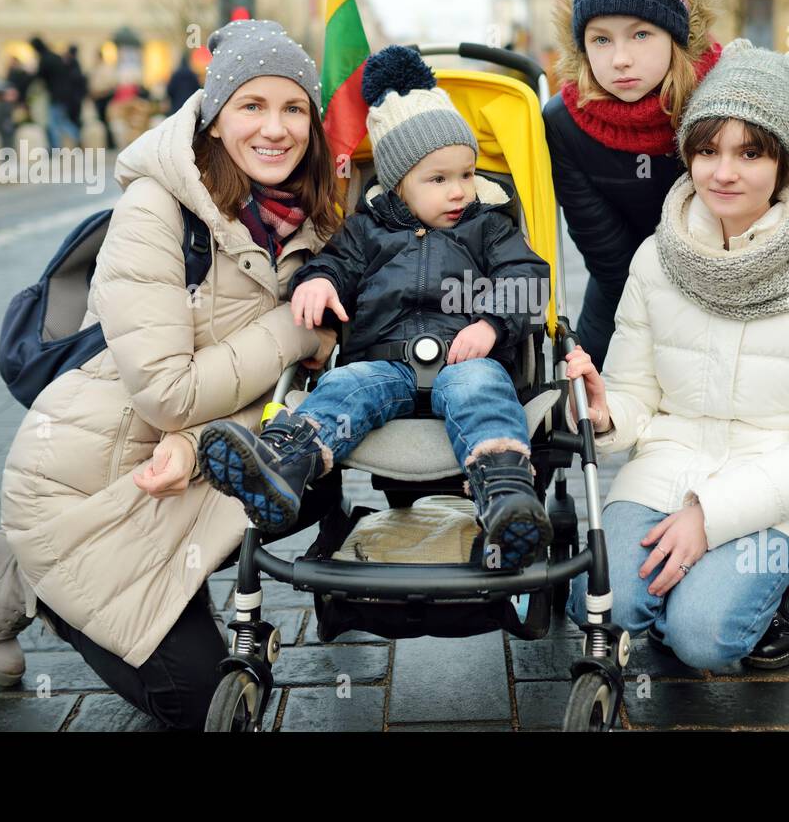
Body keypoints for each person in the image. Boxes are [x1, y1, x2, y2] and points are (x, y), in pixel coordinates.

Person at [0, 20, 344, 730]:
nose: (275, 129)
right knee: (196, 708)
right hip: (85, 491)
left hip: (180, 480)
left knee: (313, 482)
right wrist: (295, 330)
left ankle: (162, 578)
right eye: (251, 106)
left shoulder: (310, 228)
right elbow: (168, 393)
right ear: (215, 118)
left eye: (293, 109)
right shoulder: (156, 209)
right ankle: (26, 573)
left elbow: (287, 395)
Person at [563, 39, 789, 672]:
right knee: (602, 607)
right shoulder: (657, 257)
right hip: (665, 471)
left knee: (704, 637)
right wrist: (604, 412)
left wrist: (711, 517)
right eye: (707, 151)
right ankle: (702, 581)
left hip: (776, 485)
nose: (723, 173)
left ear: (784, 163)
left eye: (750, 153)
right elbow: (636, 398)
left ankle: (780, 580)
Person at [197, 46, 553, 570]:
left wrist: (491, 322)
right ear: (398, 184)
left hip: (466, 361)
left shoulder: (488, 227)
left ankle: (505, 493)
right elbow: (335, 265)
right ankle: (283, 465)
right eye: (438, 180)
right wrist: (316, 282)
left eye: (466, 175)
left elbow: (528, 278)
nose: (458, 191)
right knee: (343, 388)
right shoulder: (367, 231)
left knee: (484, 392)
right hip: (383, 365)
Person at [544, 0, 720, 368]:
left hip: (720, 294)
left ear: (676, 36)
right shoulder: (564, 122)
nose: (619, 58)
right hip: (617, 302)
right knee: (593, 418)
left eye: (641, 34)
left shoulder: (720, 104)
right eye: (601, 39)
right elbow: (603, 249)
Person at [29, 35, 79, 148]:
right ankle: (77, 139)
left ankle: (58, 148)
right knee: (62, 121)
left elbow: (39, 76)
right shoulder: (55, 57)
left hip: (56, 95)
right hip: (65, 94)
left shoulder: (44, 59)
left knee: (55, 123)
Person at [61, 43, 88, 129]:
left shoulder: (71, 64)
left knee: (72, 120)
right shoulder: (77, 64)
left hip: (72, 98)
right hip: (76, 98)